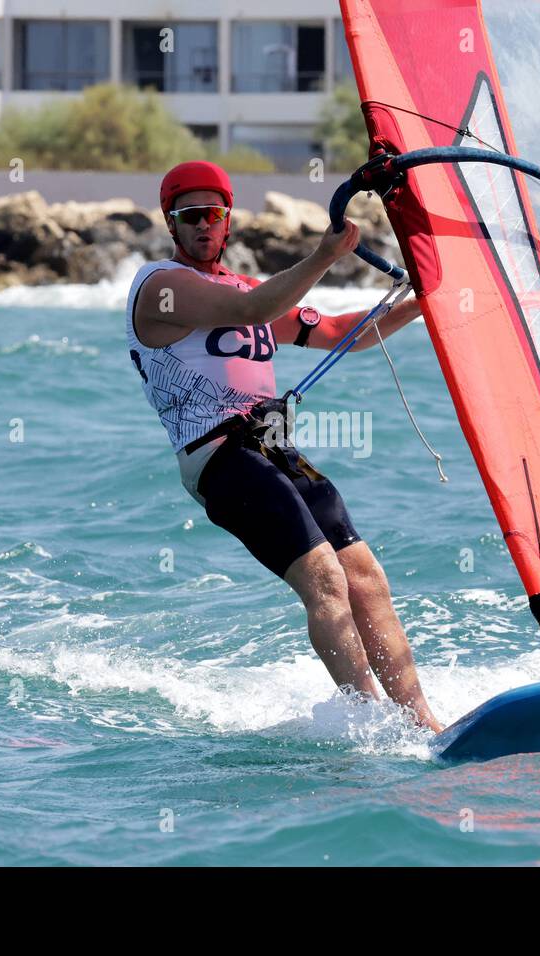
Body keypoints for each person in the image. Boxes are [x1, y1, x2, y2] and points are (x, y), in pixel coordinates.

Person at [126, 160, 442, 732]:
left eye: (213, 215)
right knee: (323, 575)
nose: (202, 226)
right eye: (189, 216)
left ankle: (423, 724)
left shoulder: (251, 288)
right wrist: (326, 255)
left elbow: (344, 332)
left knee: (364, 575)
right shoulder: (160, 287)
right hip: (217, 457)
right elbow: (250, 313)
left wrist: (427, 300)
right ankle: (369, 721)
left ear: (228, 222)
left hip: (272, 450)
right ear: (172, 225)